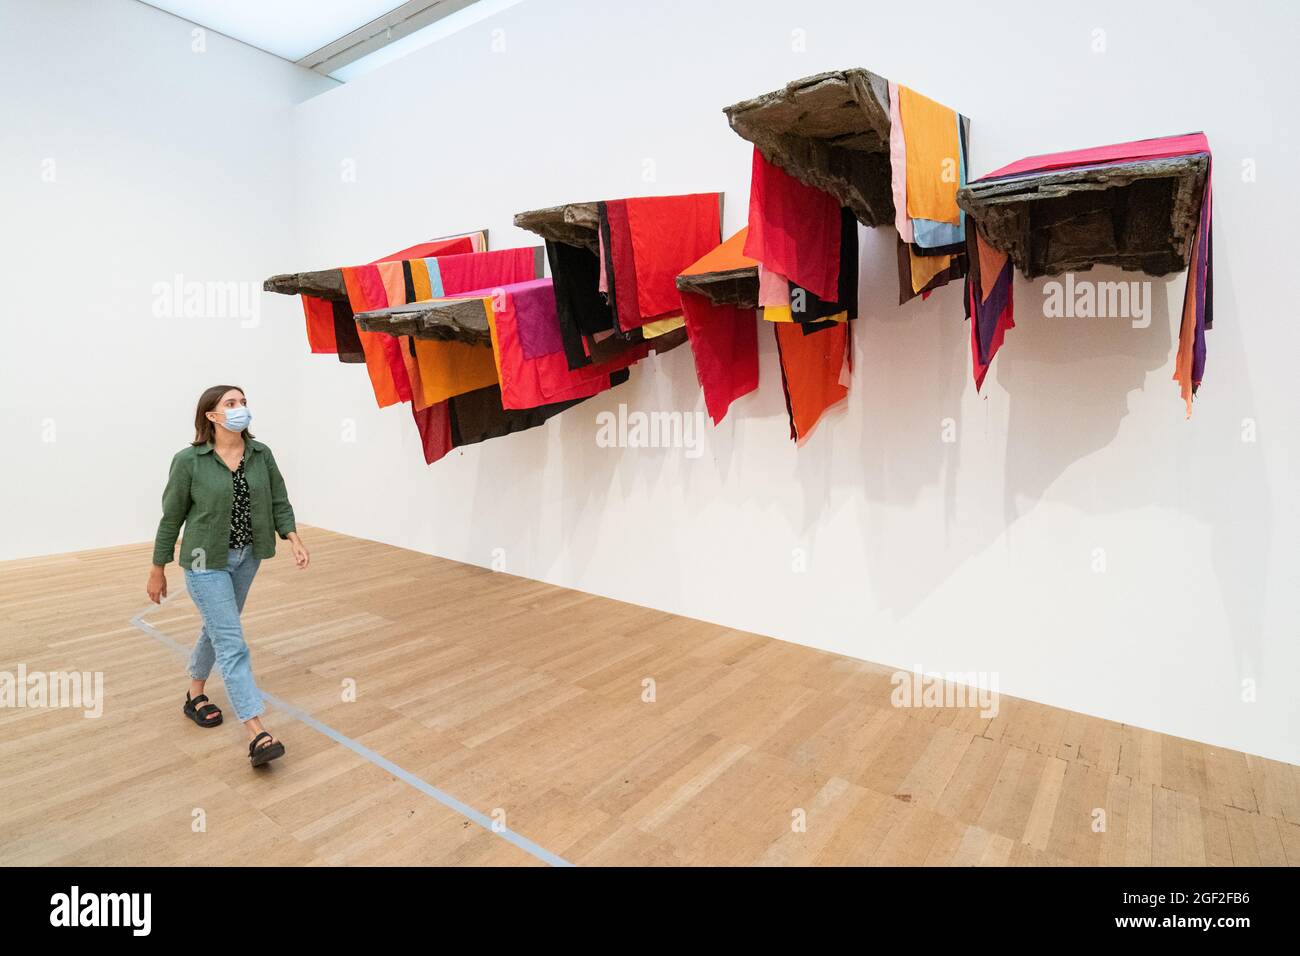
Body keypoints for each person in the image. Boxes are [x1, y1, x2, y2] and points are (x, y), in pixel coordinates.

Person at [146, 385, 309, 767]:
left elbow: (278, 500)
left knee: (218, 628)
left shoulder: (260, 454)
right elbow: (172, 517)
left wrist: (293, 538)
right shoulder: (189, 460)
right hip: (205, 560)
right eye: (230, 404)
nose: (240, 409)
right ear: (211, 415)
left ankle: (195, 694)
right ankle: (257, 731)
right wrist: (158, 568)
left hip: (247, 557)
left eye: (243, 403)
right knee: (232, 641)